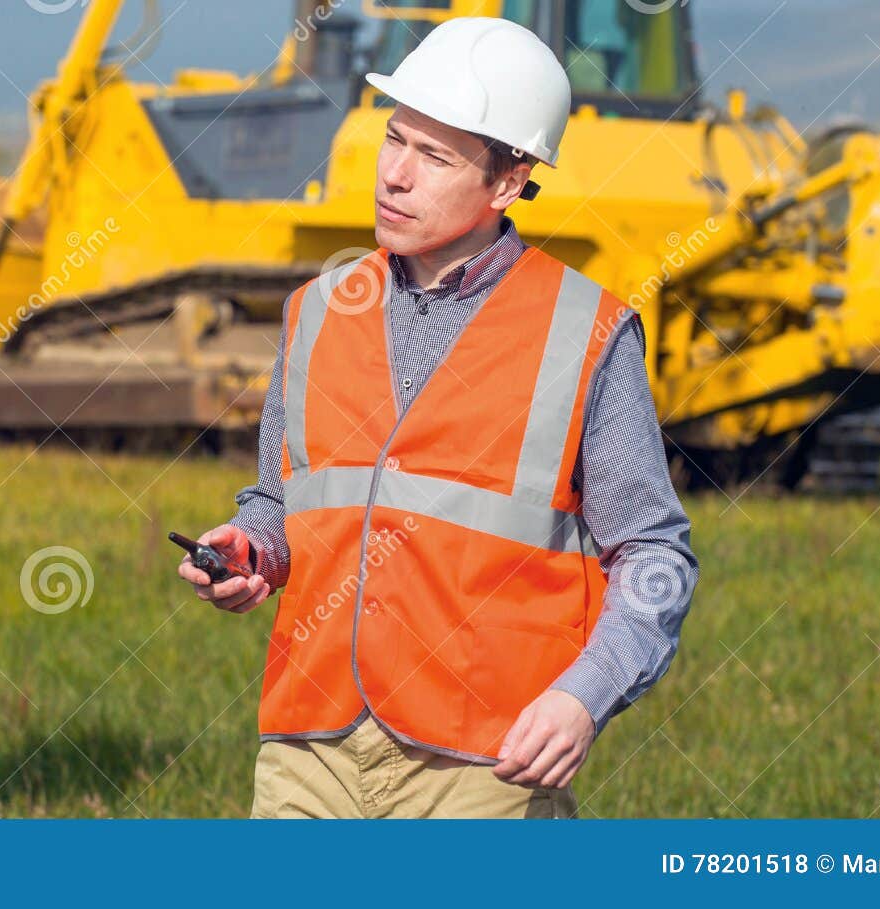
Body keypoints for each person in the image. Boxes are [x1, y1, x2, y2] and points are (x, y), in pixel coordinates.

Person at [177, 18, 698, 819]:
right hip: (307, 742)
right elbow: (281, 498)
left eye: (434, 156)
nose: (394, 175)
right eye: (394, 140)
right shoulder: (316, 309)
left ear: (506, 180)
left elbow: (655, 554)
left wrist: (585, 696)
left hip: (485, 763)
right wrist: (251, 548)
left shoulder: (586, 330)